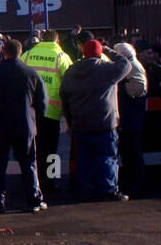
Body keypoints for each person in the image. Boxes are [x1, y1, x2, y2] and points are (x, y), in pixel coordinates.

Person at [0, 37, 47, 213]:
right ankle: (33, 200)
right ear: (21, 53)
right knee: (28, 164)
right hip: (25, 125)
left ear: (4, 52)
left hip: (0, 126)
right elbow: (42, 102)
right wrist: (35, 119)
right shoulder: (31, 73)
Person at [59, 39, 132, 201]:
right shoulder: (106, 70)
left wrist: (71, 122)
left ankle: (83, 189)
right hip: (104, 122)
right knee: (106, 157)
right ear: (99, 53)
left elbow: (64, 97)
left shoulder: (71, 71)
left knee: (83, 159)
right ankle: (107, 189)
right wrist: (108, 50)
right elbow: (126, 64)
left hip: (80, 122)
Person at [21, 29, 72, 199]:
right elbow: (70, 81)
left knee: (33, 149)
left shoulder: (28, 54)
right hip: (52, 111)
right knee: (52, 151)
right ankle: (51, 182)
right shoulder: (61, 57)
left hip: (30, 111)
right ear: (57, 41)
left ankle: (33, 181)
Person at [113, 42, 148, 197]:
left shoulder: (132, 67)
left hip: (131, 118)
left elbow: (138, 88)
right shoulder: (134, 65)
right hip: (131, 118)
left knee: (132, 153)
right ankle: (132, 183)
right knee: (129, 153)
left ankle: (136, 184)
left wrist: (122, 87)